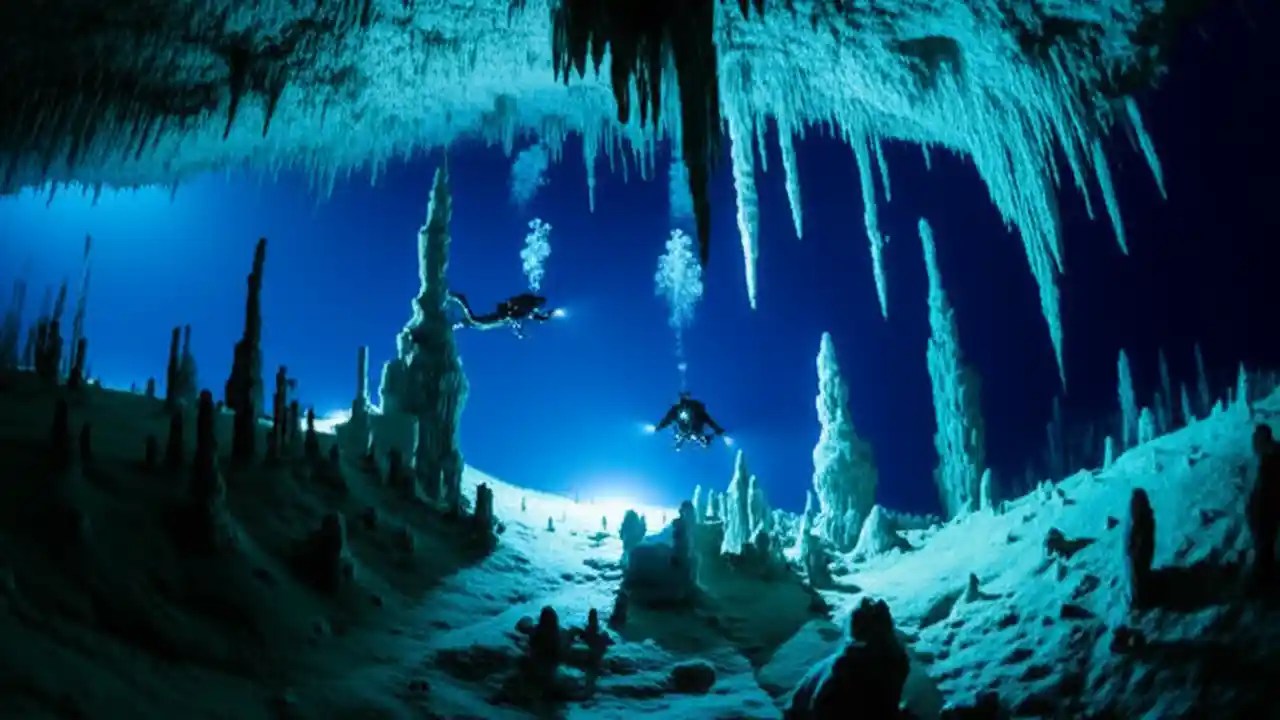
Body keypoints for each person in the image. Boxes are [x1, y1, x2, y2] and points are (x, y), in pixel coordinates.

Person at [1248, 423, 1280, 589]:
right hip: (1265, 517)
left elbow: (1267, 494)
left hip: (1267, 517)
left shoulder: (1272, 460)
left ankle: (1265, 584)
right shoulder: (1269, 458)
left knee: (1265, 551)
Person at [448, 290, 557, 338]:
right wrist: (546, 317)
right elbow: (532, 316)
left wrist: (546, 317)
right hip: (500, 317)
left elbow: (534, 316)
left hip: (501, 317)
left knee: (477, 325)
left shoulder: (527, 307)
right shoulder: (528, 308)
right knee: (475, 321)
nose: (538, 308)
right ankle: (461, 299)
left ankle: (453, 324)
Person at [654, 392, 725, 450]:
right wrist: (660, 426)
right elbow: (667, 419)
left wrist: (717, 429)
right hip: (686, 431)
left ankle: (702, 439)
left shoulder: (696, 409)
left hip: (694, 431)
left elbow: (707, 419)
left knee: (694, 436)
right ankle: (697, 438)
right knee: (683, 434)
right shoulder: (676, 409)